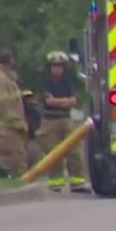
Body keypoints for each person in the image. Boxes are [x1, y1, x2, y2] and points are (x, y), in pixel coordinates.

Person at [38, 51, 89, 193]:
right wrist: (65, 101)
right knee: (53, 152)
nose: (57, 69)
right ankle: (56, 182)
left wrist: (60, 101)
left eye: (60, 66)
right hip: (49, 120)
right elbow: (49, 101)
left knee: (74, 150)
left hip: (66, 119)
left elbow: (74, 100)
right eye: (54, 66)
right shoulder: (45, 81)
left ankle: (77, 182)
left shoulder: (68, 81)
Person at [0, 48, 30, 178]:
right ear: (8, 61)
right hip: (5, 126)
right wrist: (13, 120)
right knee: (7, 160)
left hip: (14, 125)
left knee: (18, 158)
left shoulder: (7, 76)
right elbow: (1, 104)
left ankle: (19, 181)